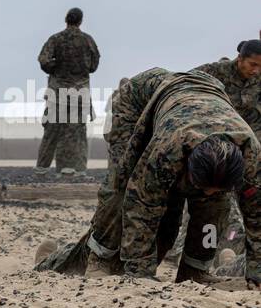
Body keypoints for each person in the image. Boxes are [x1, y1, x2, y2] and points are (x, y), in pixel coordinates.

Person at [34, 70, 260, 287]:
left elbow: (257, 216)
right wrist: (140, 272)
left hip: (185, 105)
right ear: (188, 163)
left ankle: (195, 269)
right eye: (201, 185)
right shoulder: (169, 148)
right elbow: (141, 204)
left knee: (212, 208)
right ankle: (95, 258)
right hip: (136, 106)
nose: (208, 193)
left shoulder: (251, 154)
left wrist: (257, 272)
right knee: (121, 187)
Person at [36, 7, 100, 175]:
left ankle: (42, 168)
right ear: (80, 21)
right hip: (80, 93)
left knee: (52, 130)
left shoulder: (55, 39)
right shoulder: (88, 41)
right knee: (76, 131)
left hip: (57, 93)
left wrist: (56, 67)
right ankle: (75, 169)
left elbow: (43, 60)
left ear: (66, 20)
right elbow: (93, 66)